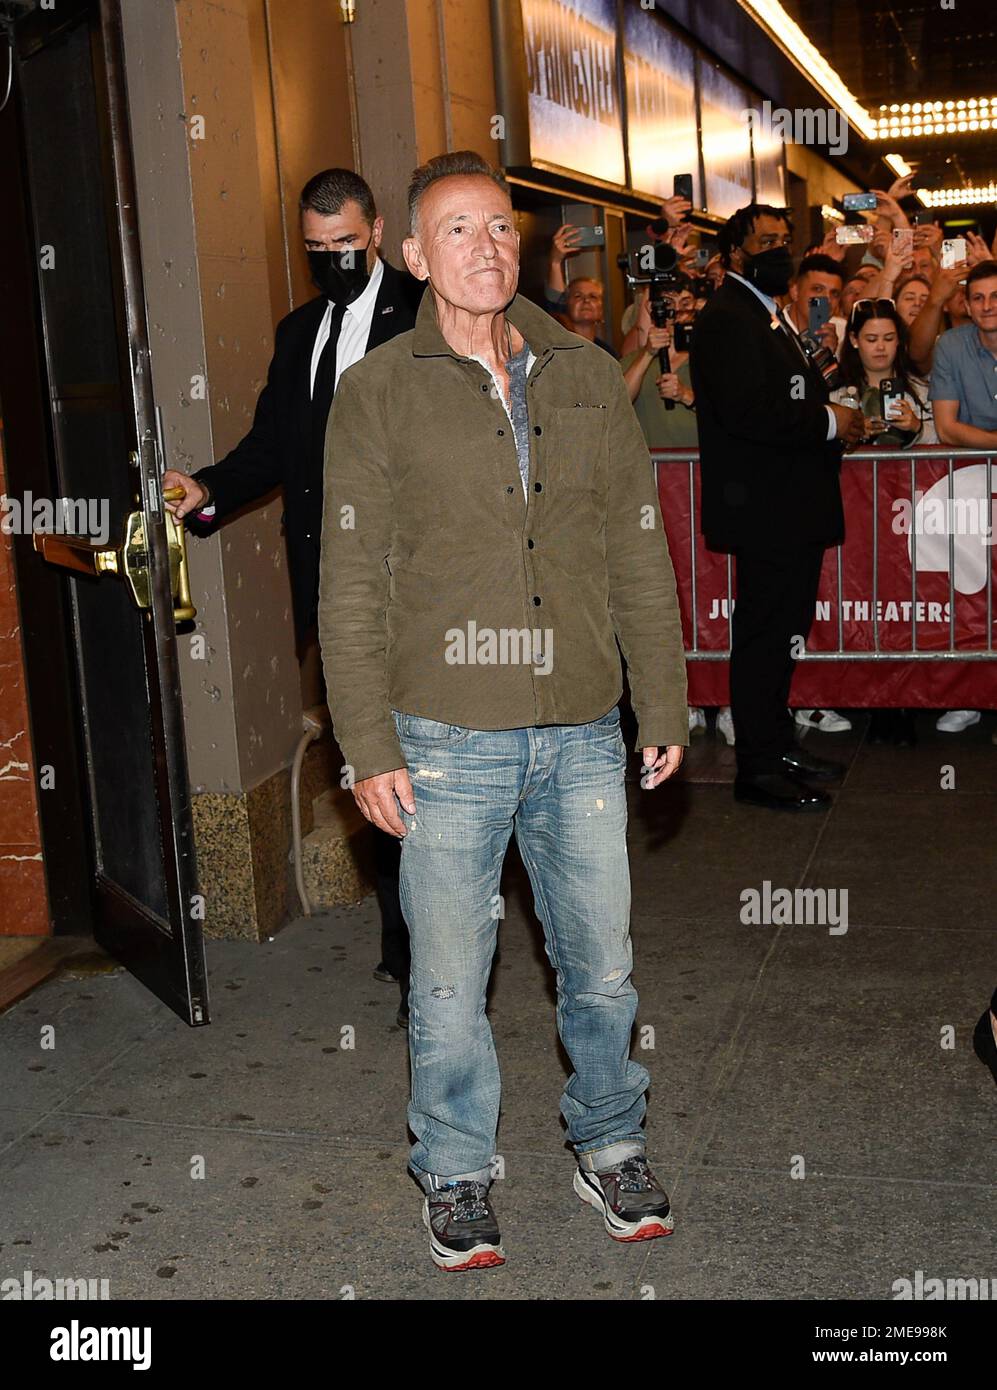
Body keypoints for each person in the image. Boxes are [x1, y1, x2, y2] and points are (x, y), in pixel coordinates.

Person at [319, 150, 688, 1272]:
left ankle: (609, 1141)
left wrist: (661, 697)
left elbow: (637, 550)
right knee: (445, 982)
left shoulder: (582, 373)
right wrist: (365, 742)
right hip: (442, 735)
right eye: (457, 230)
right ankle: (457, 1170)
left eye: (499, 227)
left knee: (601, 966)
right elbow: (351, 581)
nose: (484, 246)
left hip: (580, 725)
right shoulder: (377, 392)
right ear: (415, 254)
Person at [161, 168, 424, 1026]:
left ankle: (439, 961)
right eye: (317, 251)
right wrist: (204, 490)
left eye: (346, 246)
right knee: (372, 767)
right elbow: (272, 443)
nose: (334, 262)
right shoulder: (299, 329)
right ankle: (404, 944)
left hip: (418, 588)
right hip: (331, 590)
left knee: (428, 769)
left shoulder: (425, 312)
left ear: (376, 231)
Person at [689, 202, 865, 811]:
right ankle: (758, 768)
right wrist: (830, 420)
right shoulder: (728, 317)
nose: (779, 252)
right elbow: (750, 412)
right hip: (766, 509)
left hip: (791, 505)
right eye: (766, 242)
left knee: (783, 631)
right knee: (764, 636)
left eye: (785, 240)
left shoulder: (767, 314)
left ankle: (776, 743)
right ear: (735, 253)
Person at [929, 258, 997, 736]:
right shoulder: (951, 345)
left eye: (996, 296)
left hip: (975, 464)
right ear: (966, 304)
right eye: (978, 297)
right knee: (971, 592)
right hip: (971, 479)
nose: (988, 306)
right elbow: (948, 427)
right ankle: (969, 696)